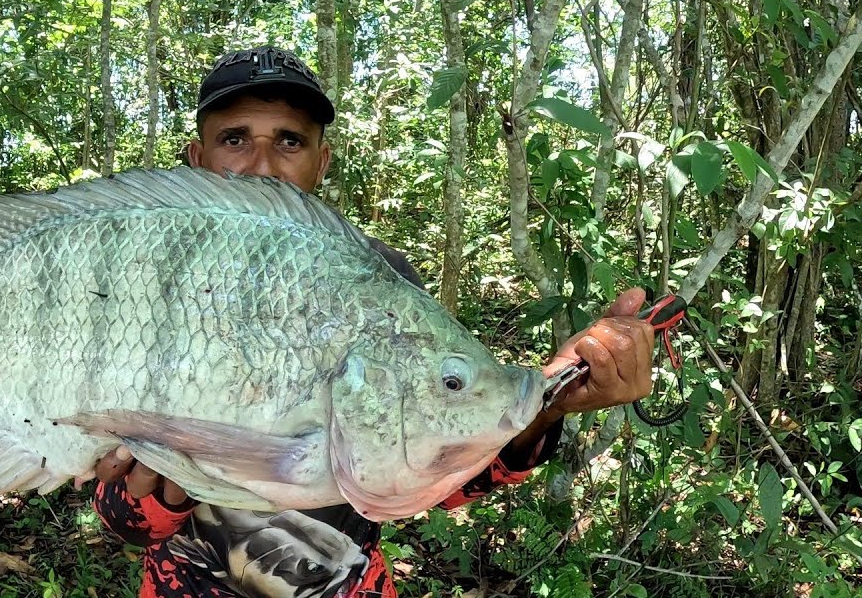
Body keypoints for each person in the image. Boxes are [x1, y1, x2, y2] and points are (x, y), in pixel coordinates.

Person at [92, 45, 655, 598]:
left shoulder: (381, 284)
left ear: (321, 159)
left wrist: (551, 400)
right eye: (234, 139)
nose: (261, 165)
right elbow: (121, 520)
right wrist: (155, 494)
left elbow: (436, 478)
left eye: (289, 140)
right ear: (198, 156)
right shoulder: (142, 281)